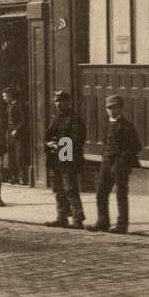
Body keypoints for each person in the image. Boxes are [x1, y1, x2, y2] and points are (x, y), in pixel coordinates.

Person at [95, 94, 141, 233]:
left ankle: (122, 225)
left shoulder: (127, 126)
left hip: (120, 164)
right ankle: (102, 222)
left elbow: (136, 146)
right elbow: (104, 142)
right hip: (107, 162)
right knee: (101, 193)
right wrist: (104, 156)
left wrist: (123, 159)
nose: (112, 111)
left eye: (114, 108)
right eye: (109, 108)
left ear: (120, 108)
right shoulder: (106, 125)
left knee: (121, 194)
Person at [43, 89, 87, 229]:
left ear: (68, 102)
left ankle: (77, 219)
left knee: (70, 189)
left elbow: (77, 138)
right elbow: (47, 137)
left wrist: (59, 145)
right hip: (56, 159)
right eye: (56, 101)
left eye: (60, 101)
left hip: (68, 158)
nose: (58, 104)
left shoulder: (75, 119)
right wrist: (48, 144)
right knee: (58, 189)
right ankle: (61, 217)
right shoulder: (56, 119)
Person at [2, 86, 29, 186]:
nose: (3, 98)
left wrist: (16, 130)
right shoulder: (8, 106)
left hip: (18, 134)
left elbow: (24, 120)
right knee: (11, 155)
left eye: (5, 96)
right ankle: (14, 177)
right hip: (9, 133)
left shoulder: (20, 106)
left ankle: (22, 178)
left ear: (10, 95)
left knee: (19, 156)